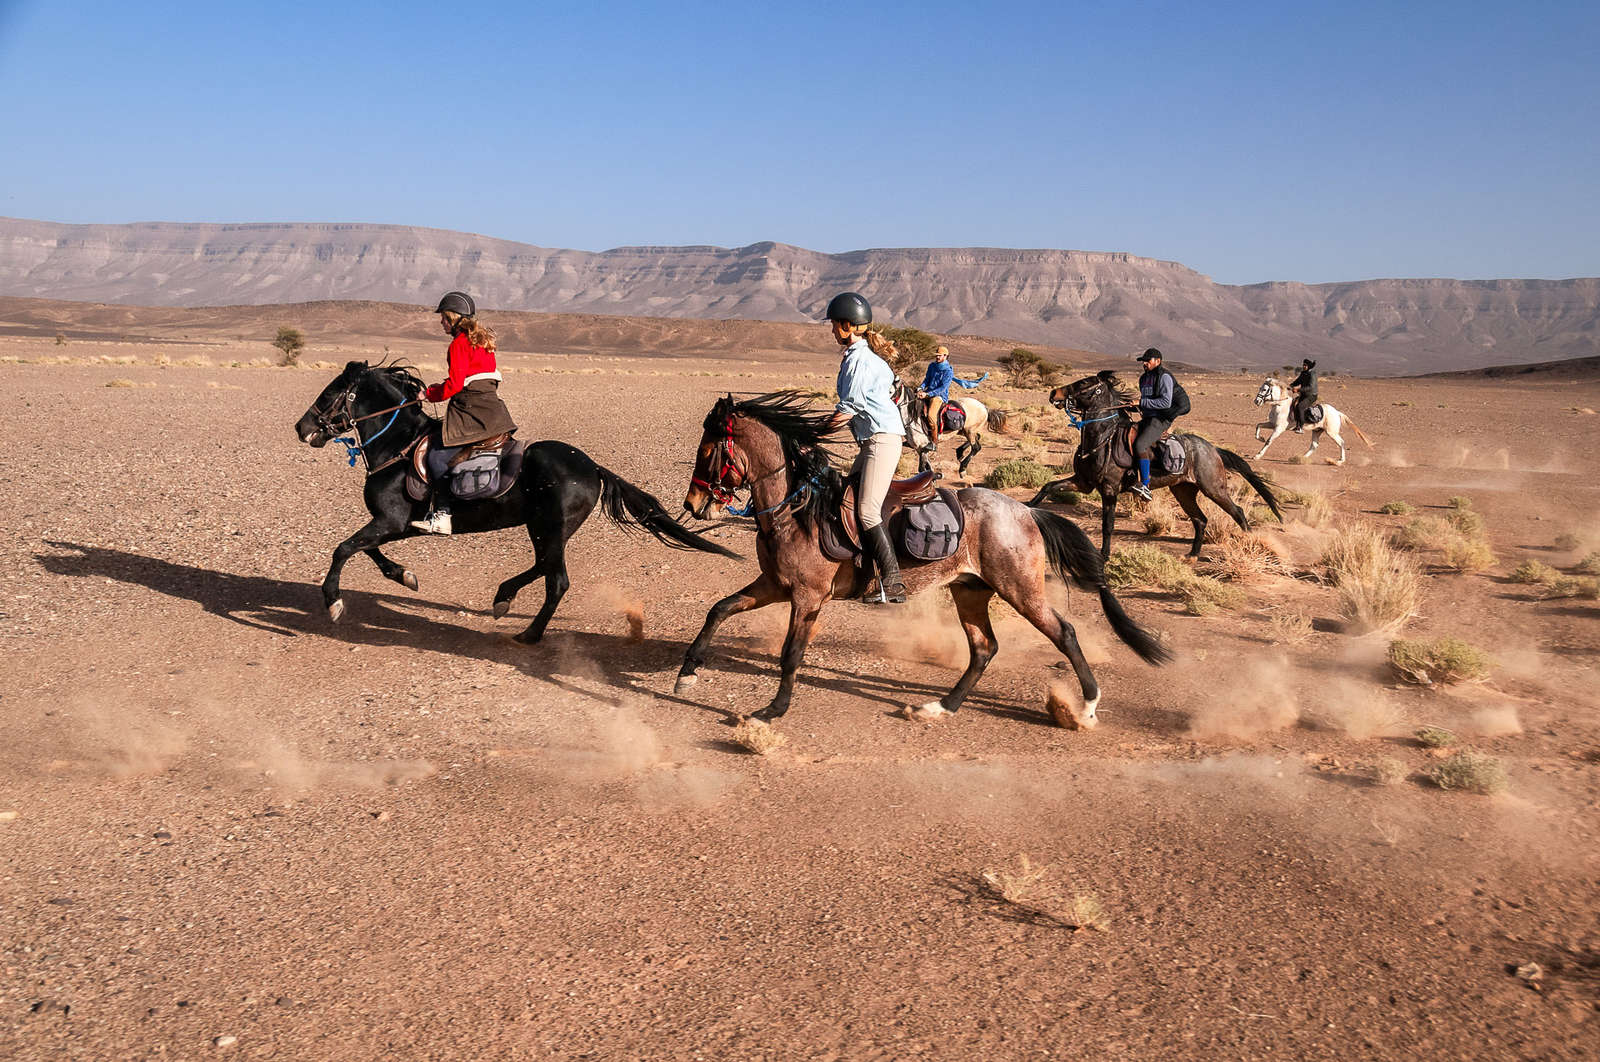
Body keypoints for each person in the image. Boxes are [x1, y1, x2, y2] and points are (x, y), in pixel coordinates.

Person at [409, 291, 518, 535]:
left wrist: (429, 394)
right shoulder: (482, 340)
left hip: (470, 410)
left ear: (453, 317)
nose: (441, 323)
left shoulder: (459, 344)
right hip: (492, 408)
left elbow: (456, 385)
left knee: (437, 456)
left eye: (444, 318)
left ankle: (443, 516)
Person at [826, 292, 907, 604]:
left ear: (848, 326)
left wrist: (815, 431)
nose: (832, 330)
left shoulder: (860, 360)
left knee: (867, 509)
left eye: (835, 325)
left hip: (881, 440)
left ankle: (893, 582)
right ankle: (861, 570)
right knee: (847, 496)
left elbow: (850, 406)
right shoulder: (864, 358)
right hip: (874, 439)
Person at [1129, 347, 1188, 500]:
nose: (1145, 364)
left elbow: (1165, 402)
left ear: (1158, 361)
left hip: (1161, 419)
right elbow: (1148, 402)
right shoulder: (1143, 378)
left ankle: (1146, 486)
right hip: (1148, 417)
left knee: (1140, 445)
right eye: (1143, 361)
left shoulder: (1164, 377)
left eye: (1148, 361)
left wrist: (1141, 402)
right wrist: (1135, 405)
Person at [917, 345, 988, 444]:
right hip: (927, 393)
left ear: (945, 356)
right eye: (936, 355)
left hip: (939, 396)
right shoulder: (932, 366)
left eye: (940, 355)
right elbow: (927, 380)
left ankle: (933, 441)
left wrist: (928, 394)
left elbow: (943, 388)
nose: (937, 357)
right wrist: (920, 388)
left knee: (931, 416)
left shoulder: (948, 371)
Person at [1288, 358, 1318, 432]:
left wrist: (1297, 390)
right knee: (1294, 404)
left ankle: (1301, 427)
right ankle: (1297, 424)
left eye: (1305, 365)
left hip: (1311, 395)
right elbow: (1297, 381)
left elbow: (1310, 387)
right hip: (1304, 395)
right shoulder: (1303, 373)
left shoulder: (1312, 374)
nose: (1303, 366)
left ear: (1309, 366)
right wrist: (1290, 385)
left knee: (1300, 406)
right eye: (1303, 365)